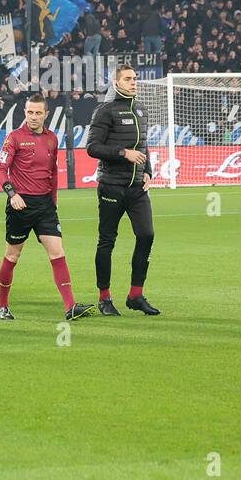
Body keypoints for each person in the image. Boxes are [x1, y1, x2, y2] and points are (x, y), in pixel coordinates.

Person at [0, 93, 96, 321]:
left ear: (46, 115)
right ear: (25, 113)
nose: (33, 117)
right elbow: (0, 169)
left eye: (38, 113)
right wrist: (12, 194)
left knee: (58, 252)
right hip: (20, 205)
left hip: (45, 207)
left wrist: (54, 203)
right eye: (30, 112)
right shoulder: (14, 138)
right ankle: (2, 306)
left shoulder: (51, 139)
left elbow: (52, 174)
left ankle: (70, 307)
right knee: (12, 255)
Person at [87, 65, 160, 316]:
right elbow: (92, 147)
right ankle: (104, 297)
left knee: (147, 235)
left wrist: (147, 169)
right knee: (107, 241)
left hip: (137, 188)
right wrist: (123, 153)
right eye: (128, 79)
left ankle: (135, 295)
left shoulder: (141, 110)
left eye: (135, 79)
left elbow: (143, 145)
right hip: (111, 186)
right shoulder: (105, 110)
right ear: (116, 82)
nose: (133, 83)